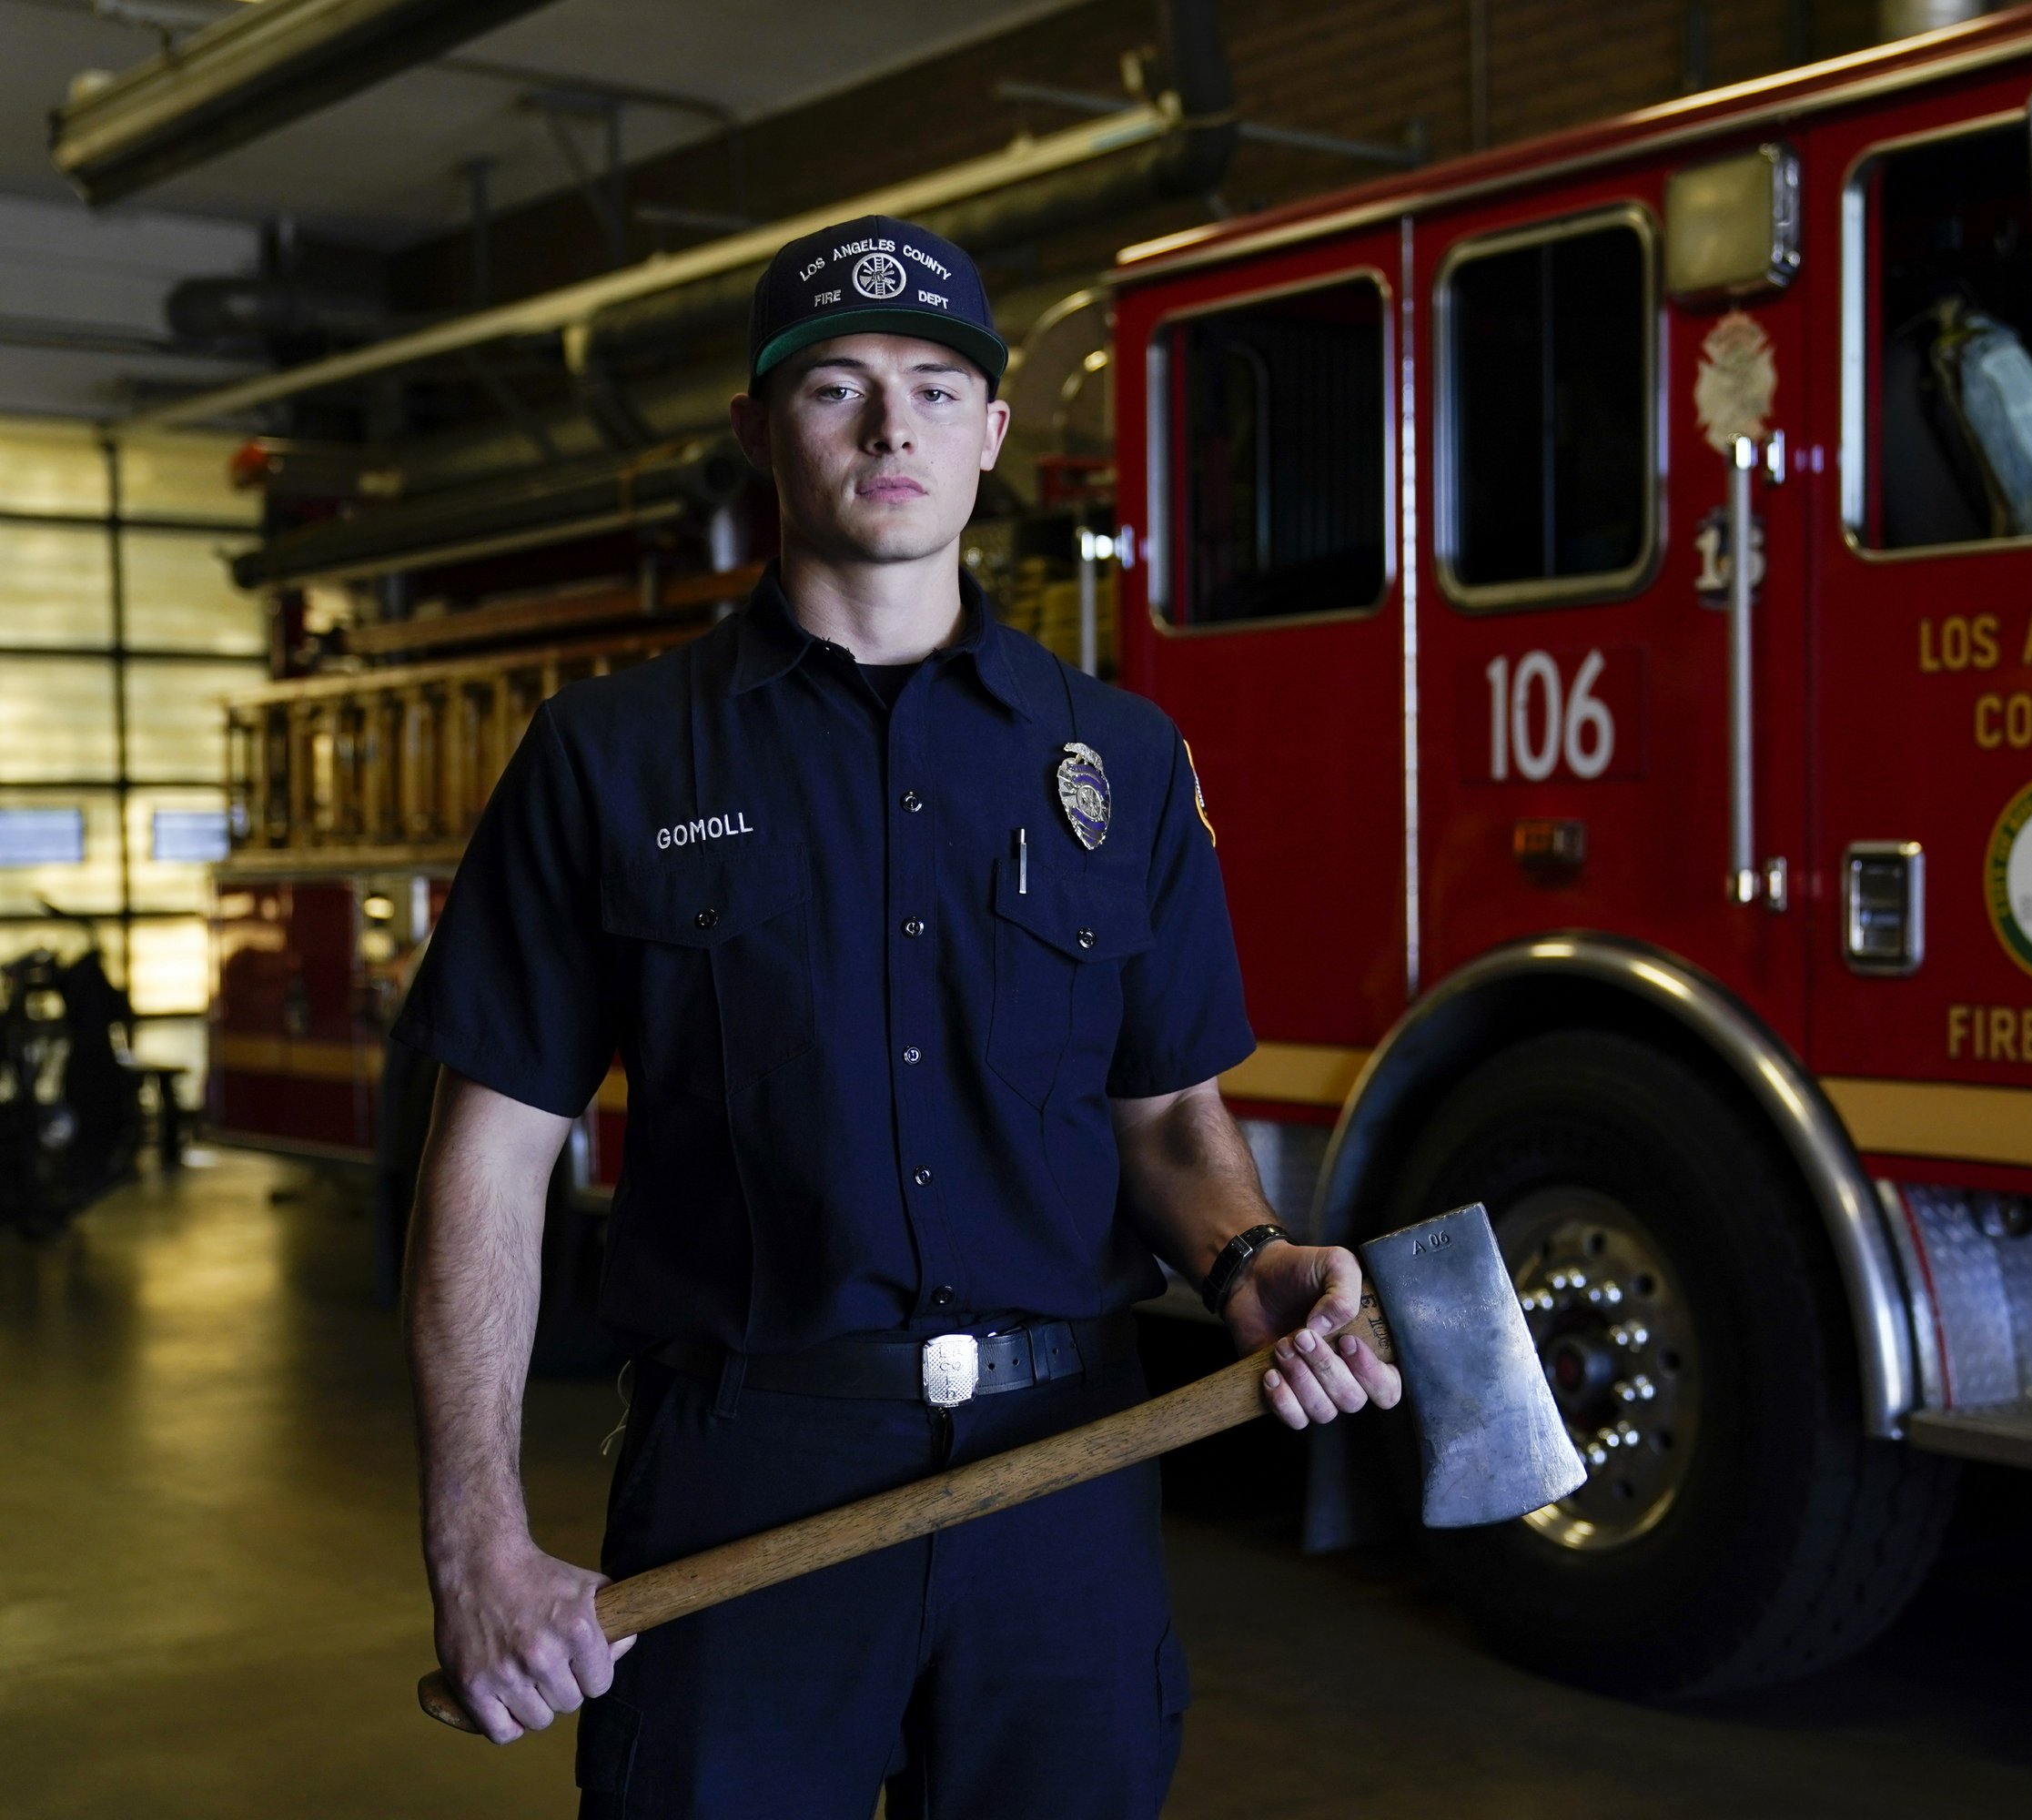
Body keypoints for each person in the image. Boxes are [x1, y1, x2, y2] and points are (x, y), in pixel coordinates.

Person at [396, 214, 1400, 1819]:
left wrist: (1245, 1260)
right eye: (836, 388)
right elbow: (490, 1159)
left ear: (994, 435)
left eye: (937, 389)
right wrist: (477, 1539)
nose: (891, 430)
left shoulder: (1122, 762)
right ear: (756, 432)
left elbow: (1167, 1116)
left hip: (1062, 1482)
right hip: (746, 1480)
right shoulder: (608, 759)